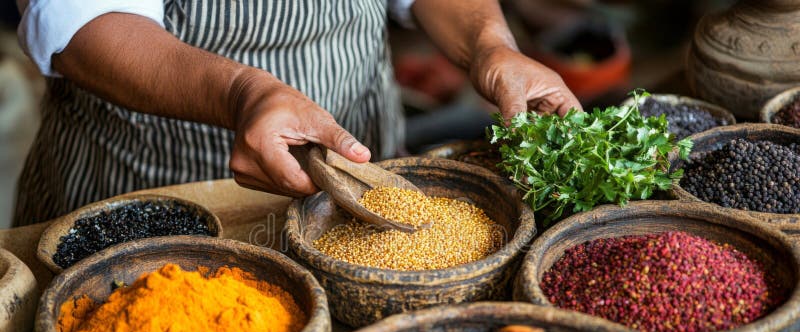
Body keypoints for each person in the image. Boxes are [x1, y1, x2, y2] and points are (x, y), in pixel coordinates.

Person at [13, 0, 581, 226]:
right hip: (156, 174)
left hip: (365, 148)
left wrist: (490, 45)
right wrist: (241, 94)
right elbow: (81, 26)